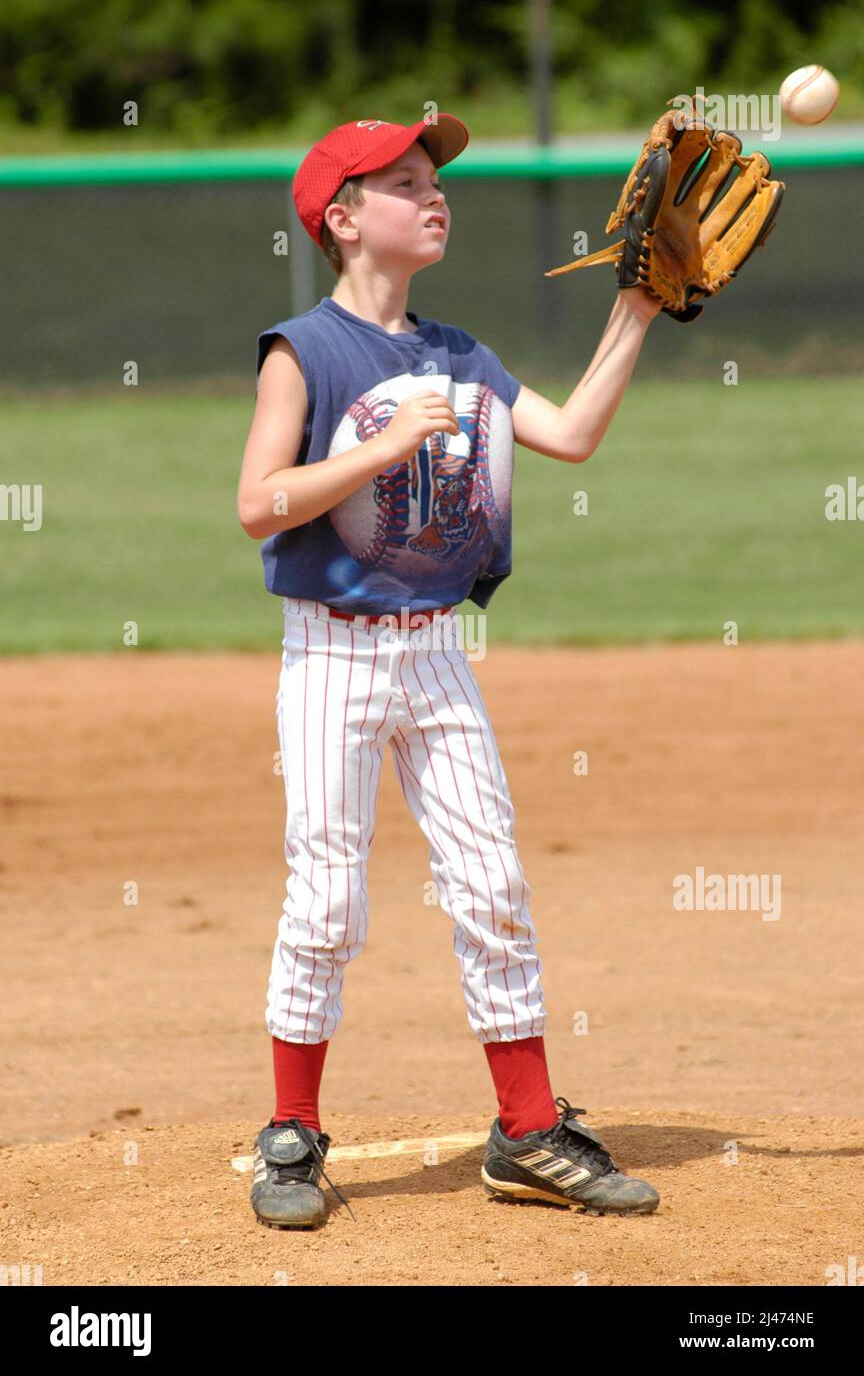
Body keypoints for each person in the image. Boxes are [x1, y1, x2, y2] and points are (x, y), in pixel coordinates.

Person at [236, 113, 662, 1230]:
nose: (435, 195)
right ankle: (291, 1131)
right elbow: (256, 503)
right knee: (328, 894)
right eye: (406, 182)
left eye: (437, 181)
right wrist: (378, 448)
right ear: (341, 218)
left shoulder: (461, 353)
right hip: (329, 649)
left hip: (437, 653)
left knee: (493, 884)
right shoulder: (305, 350)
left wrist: (638, 308)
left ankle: (527, 1130)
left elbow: (567, 432)